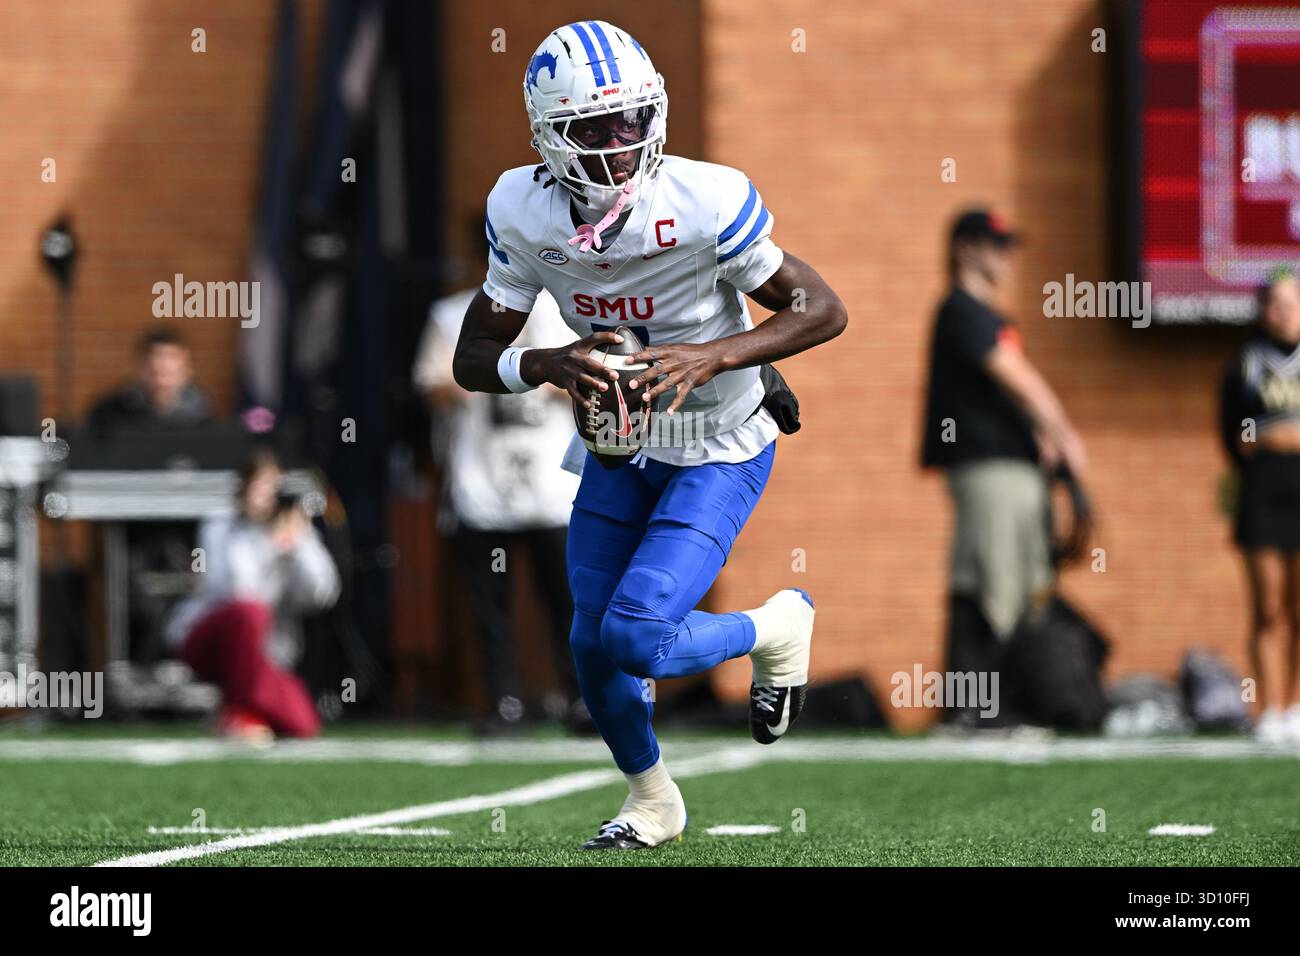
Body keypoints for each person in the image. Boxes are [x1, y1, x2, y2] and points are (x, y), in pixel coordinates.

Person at [453, 21, 847, 850]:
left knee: (637, 634)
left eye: (635, 120)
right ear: (550, 136)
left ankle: (775, 625)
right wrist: (555, 361)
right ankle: (653, 801)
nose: (622, 143)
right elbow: (473, 358)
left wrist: (713, 355)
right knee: (592, 645)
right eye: (596, 130)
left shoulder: (704, 198)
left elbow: (823, 309)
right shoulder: (520, 210)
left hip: (720, 440)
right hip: (619, 442)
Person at [414, 271, 582, 731]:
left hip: (554, 485)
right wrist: (498, 376)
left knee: (568, 601)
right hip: (483, 483)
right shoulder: (452, 315)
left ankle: (583, 697)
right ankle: (503, 699)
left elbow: (599, 385)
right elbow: (432, 385)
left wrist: (550, 379)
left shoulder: (568, 308)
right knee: (491, 608)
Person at [921, 209, 1087, 647]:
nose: (1005, 256)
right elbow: (1022, 381)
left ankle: (994, 703)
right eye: (995, 245)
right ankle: (988, 707)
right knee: (997, 582)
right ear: (964, 249)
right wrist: (1065, 435)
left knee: (1013, 578)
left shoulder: (986, 314)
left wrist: (1041, 437)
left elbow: (1006, 397)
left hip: (1011, 466)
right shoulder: (962, 309)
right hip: (988, 466)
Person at [165, 448, 340, 741]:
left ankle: (236, 715)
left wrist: (298, 546)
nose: (267, 496)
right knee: (250, 613)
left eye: (274, 487)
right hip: (208, 639)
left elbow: (322, 594)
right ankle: (240, 711)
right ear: (244, 489)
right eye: (260, 486)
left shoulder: (294, 531)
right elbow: (233, 593)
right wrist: (267, 542)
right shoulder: (218, 526)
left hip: (266, 656)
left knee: (303, 725)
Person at [1220, 267, 1300, 743]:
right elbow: (1237, 436)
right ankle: (1268, 710)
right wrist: (1282, 436)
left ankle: (1295, 705)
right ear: (1262, 310)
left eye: (1292, 303)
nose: (1283, 312)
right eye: (1275, 303)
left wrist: (1279, 436)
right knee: (1268, 608)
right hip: (1263, 497)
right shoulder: (1247, 361)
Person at [86, 327, 213, 433]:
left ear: (187, 370)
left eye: (168, 373)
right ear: (139, 368)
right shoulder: (109, 414)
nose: (161, 380)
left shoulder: (203, 415)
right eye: (154, 372)